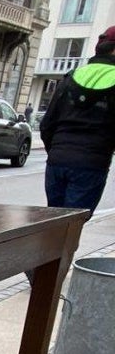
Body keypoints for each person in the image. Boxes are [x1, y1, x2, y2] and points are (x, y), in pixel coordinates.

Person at [39, 25, 115, 217]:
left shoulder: (72, 77)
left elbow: (47, 124)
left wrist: (57, 150)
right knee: (74, 222)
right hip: (91, 163)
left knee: (55, 219)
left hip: (58, 161)